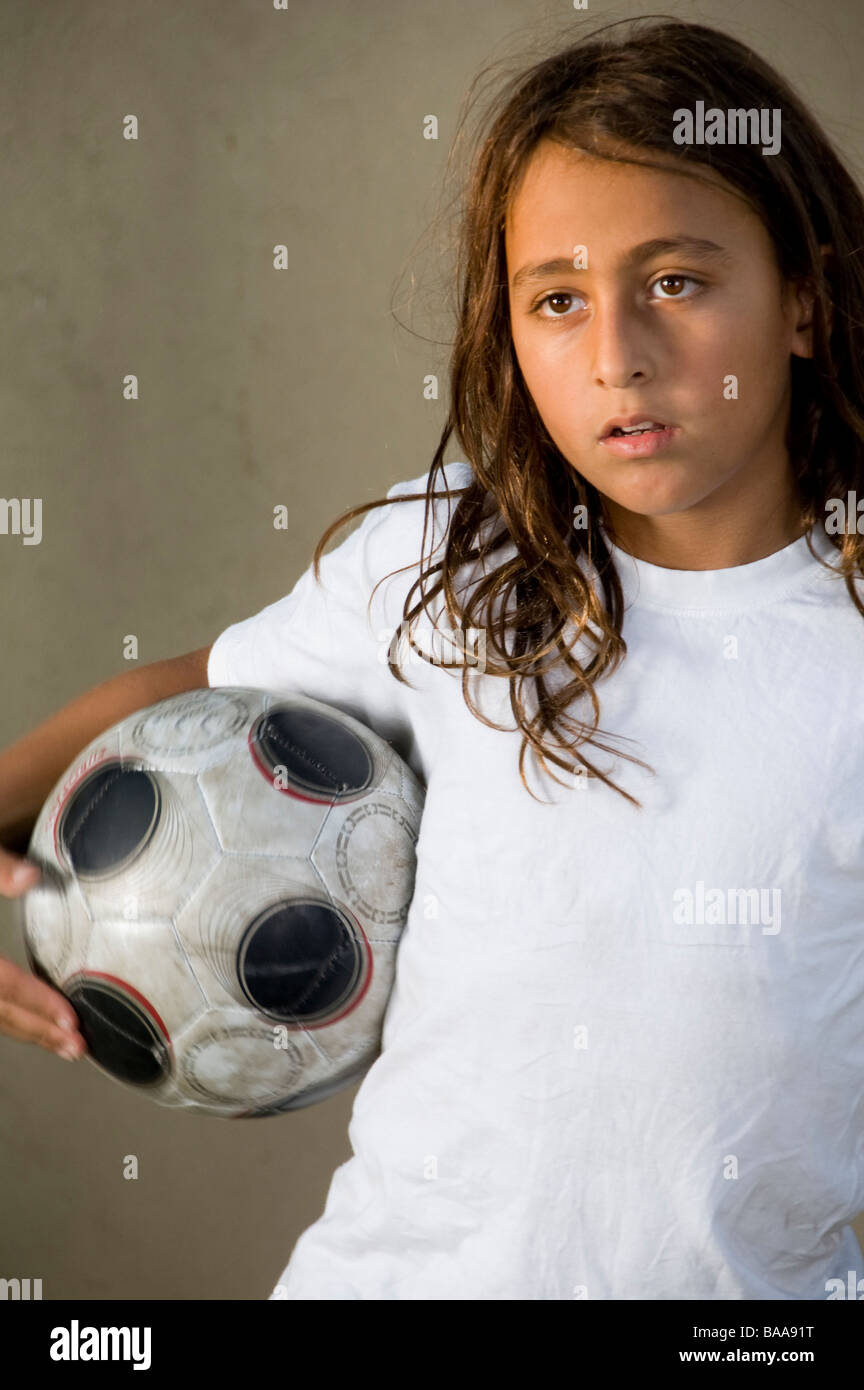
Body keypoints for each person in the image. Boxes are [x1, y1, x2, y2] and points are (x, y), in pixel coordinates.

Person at [2, 15, 864, 1299]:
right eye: (558, 299)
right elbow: (192, 692)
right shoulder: (444, 573)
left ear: (803, 294)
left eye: (676, 281)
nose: (617, 353)